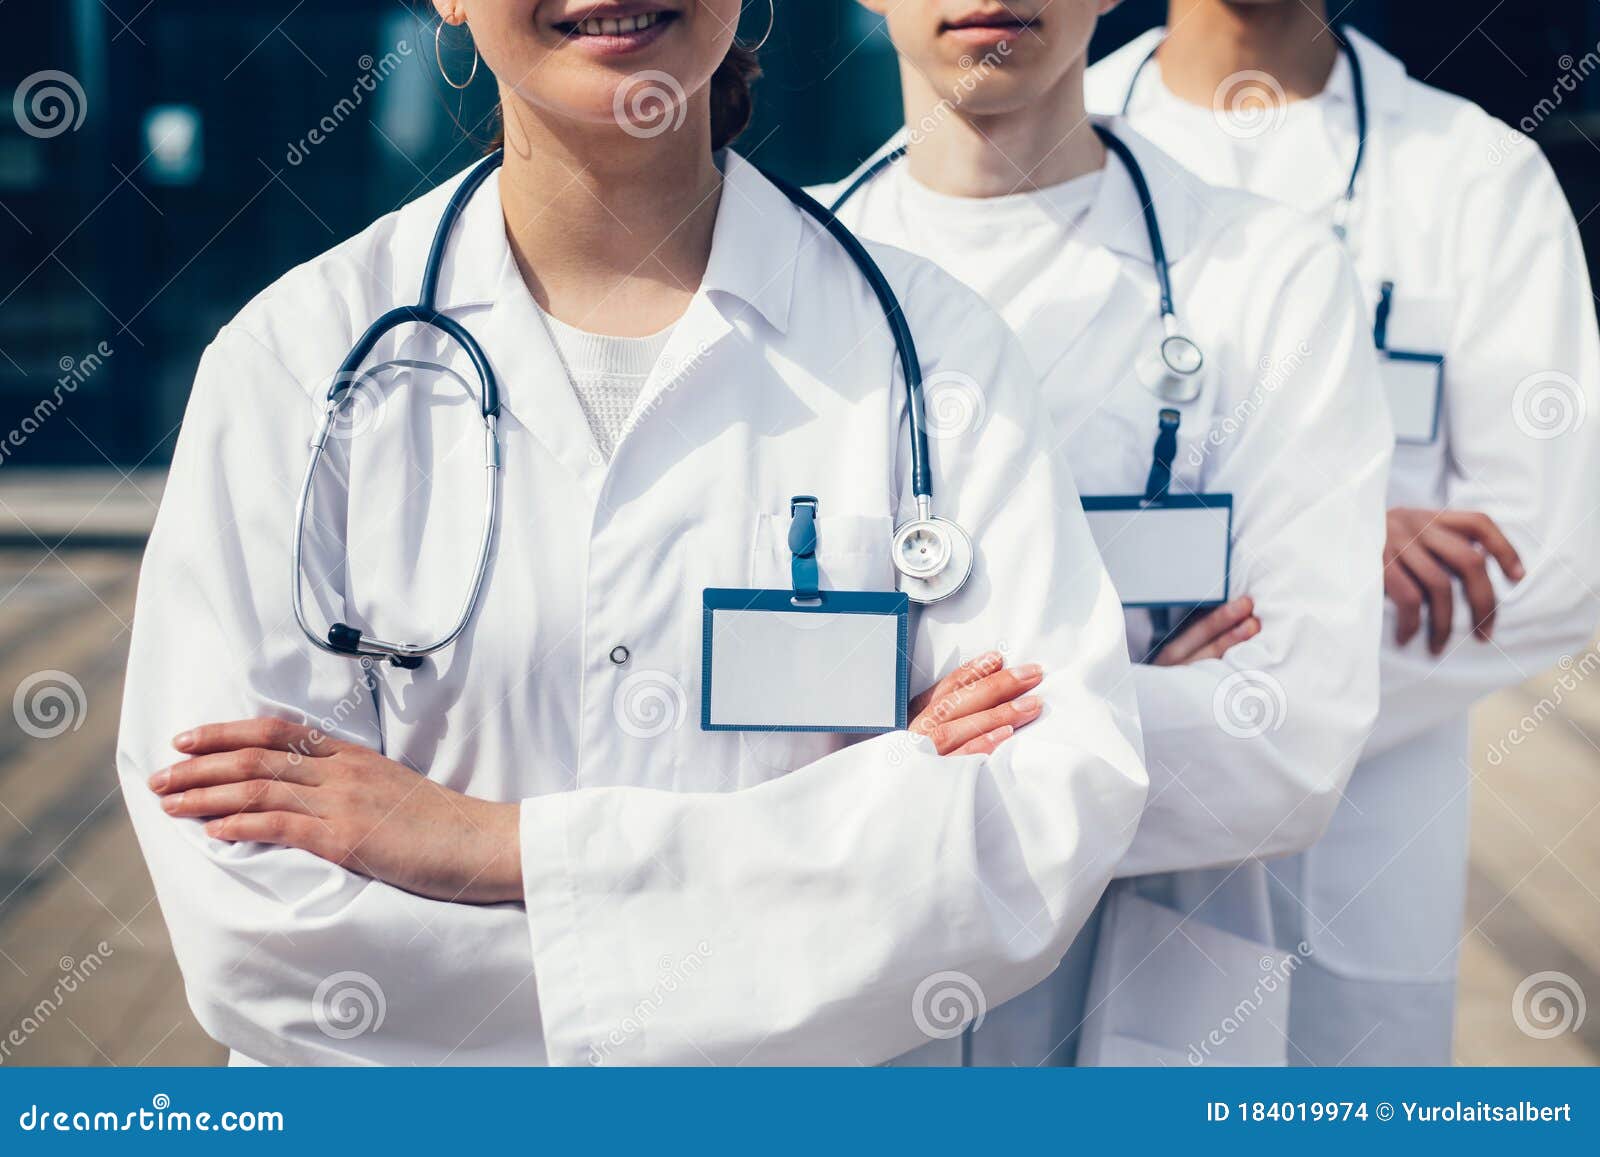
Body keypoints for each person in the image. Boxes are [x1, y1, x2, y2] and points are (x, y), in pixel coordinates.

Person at [115, 0, 1149, 1066]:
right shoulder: (292, 362)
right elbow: (256, 935)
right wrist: (846, 849)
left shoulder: (936, 351)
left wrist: (496, 849)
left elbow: (1034, 829)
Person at [826, 0, 1390, 1063]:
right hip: (854, 1015)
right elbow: (712, 753)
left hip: (1154, 995)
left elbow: (1294, 740)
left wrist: (897, 746)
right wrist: (1121, 704)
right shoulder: (774, 284)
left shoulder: (1268, 275)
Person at [1087, 0, 1600, 1064]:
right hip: (1092, 852)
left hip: (1364, 850)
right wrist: (1326, 550)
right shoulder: (1056, 142)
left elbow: (1549, 563)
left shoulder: (1473, 175)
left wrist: (1234, 698)